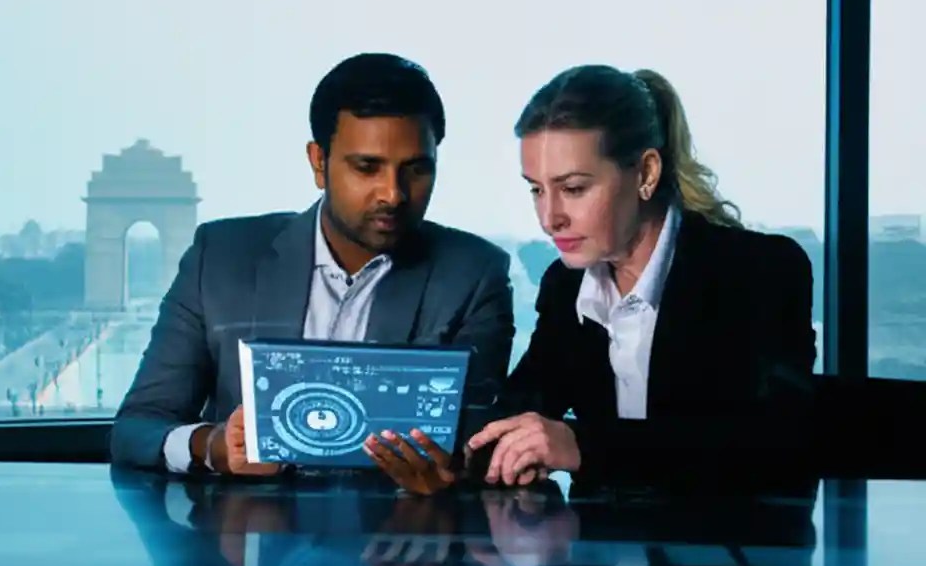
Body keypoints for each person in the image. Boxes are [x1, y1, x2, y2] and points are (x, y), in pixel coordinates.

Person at [111, 52, 516, 492]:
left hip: (396, 546)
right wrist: (212, 447)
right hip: (245, 543)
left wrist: (453, 473)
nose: (393, 194)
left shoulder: (474, 275)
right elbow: (136, 427)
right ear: (318, 162)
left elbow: (479, 445)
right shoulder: (222, 259)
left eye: (417, 170)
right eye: (367, 167)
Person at [466, 64, 817, 488]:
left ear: (646, 173)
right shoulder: (566, 285)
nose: (549, 218)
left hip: (732, 545)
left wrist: (582, 444)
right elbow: (523, 407)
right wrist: (459, 453)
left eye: (573, 188)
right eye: (537, 189)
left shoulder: (760, 271)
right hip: (599, 549)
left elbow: (776, 441)